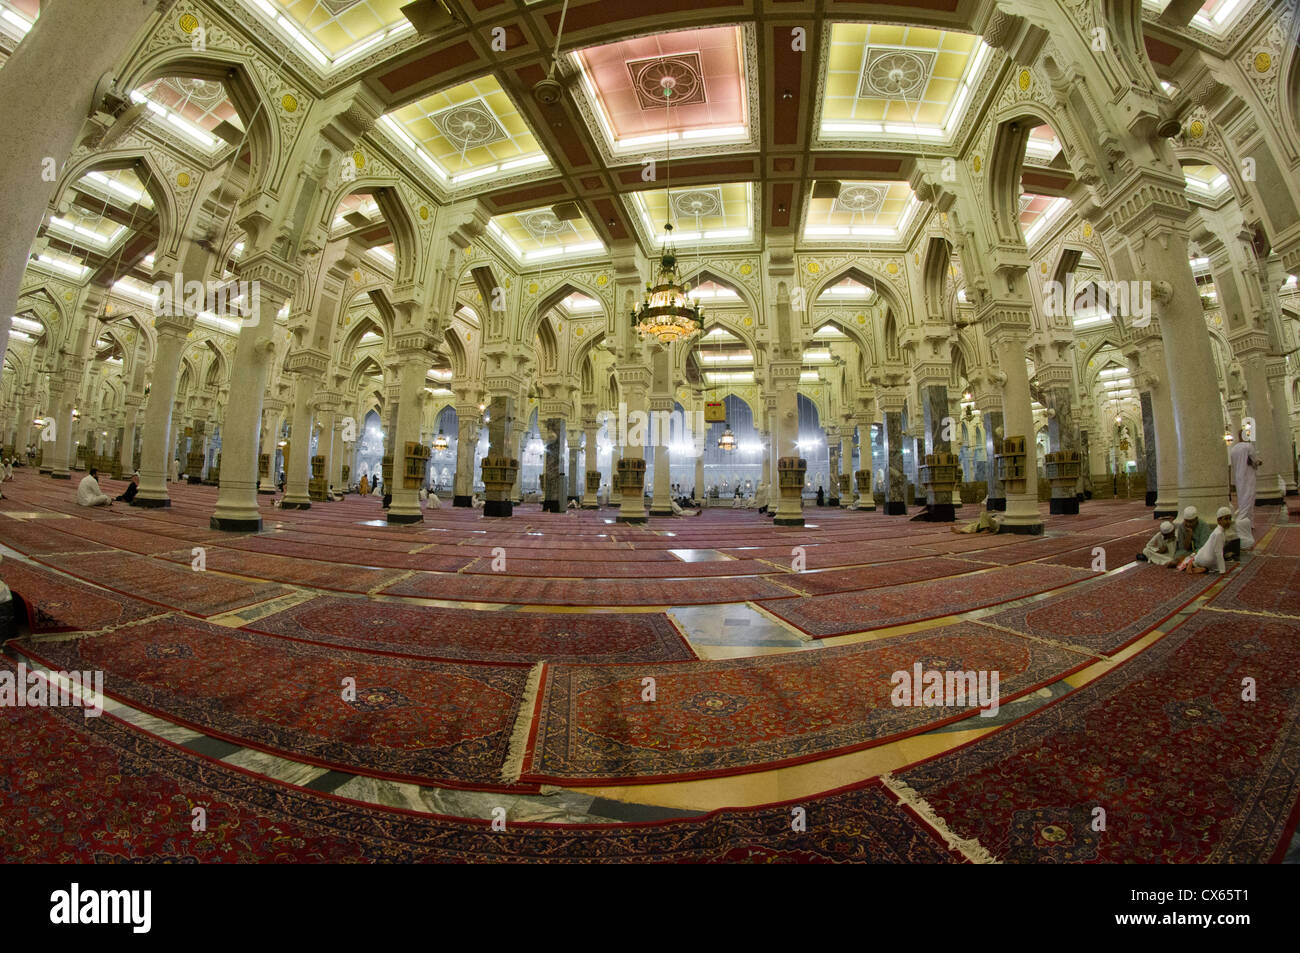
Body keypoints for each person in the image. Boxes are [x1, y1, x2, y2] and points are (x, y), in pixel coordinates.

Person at [1178, 506, 1234, 574]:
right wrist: (1222, 571)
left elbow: (1204, 546)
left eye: (1229, 519)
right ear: (1219, 520)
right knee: (1178, 557)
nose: (1228, 521)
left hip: (1202, 555)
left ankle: (1194, 564)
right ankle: (1194, 564)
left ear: (1196, 519)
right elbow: (1183, 547)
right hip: (1202, 556)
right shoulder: (1219, 533)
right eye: (1226, 519)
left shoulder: (1205, 526)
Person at [1228, 429, 1260, 526]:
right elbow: (1255, 460)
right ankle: (1240, 521)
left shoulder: (1234, 449)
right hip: (1248, 475)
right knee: (1249, 498)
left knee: (1242, 499)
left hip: (1239, 477)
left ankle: (1249, 523)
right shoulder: (1248, 446)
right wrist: (1258, 462)